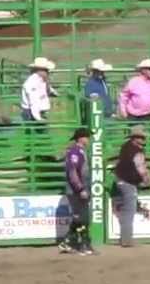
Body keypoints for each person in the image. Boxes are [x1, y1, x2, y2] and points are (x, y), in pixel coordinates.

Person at [112, 125, 150, 248]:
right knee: (129, 210)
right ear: (135, 138)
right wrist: (147, 180)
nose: (143, 139)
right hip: (128, 182)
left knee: (126, 210)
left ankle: (125, 238)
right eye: (141, 137)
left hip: (121, 180)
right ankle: (126, 239)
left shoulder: (126, 146)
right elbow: (140, 167)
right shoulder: (136, 150)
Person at [62, 127, 95, 256]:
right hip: (76, 191)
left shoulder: (80, 152)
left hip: (79, 189)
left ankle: (71, 242)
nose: (88, 139)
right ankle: (82, 244)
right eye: (87, 137)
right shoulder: (75, 152)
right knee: (82, 218)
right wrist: (80, 189)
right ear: (81, 138)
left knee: (81, 218)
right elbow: (73, 172)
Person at [20, 57, 57, 122]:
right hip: (31, 113)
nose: (48, 73)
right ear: (39, 71)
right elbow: (34, 102)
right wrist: (38, 118)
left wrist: (53, 92)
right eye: (46, 70)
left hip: (38, 111)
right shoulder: (32, 83)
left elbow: (46, 89)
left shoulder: (41, 80)